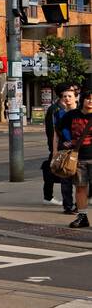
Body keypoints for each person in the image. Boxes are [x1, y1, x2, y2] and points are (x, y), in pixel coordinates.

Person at [59, 91, 92, 228]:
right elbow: (60, 128)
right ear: (83, 100)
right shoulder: (72, 115)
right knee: (80, 188)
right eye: (88, 99)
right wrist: (65, 141)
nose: (91, 101)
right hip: (79, 157)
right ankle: (82, 217)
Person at [44, 84, 79, 213]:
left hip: (80, 150)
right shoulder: (59, 114)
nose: (67, 99)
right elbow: (55, 134)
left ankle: (78, 204)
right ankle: (68, 206)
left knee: (80, 181)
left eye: (70, 96)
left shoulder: (82, 113)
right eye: (65, 96)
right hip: (64, 151)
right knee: (66, 180)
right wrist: (54, 151)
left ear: (76, 97)